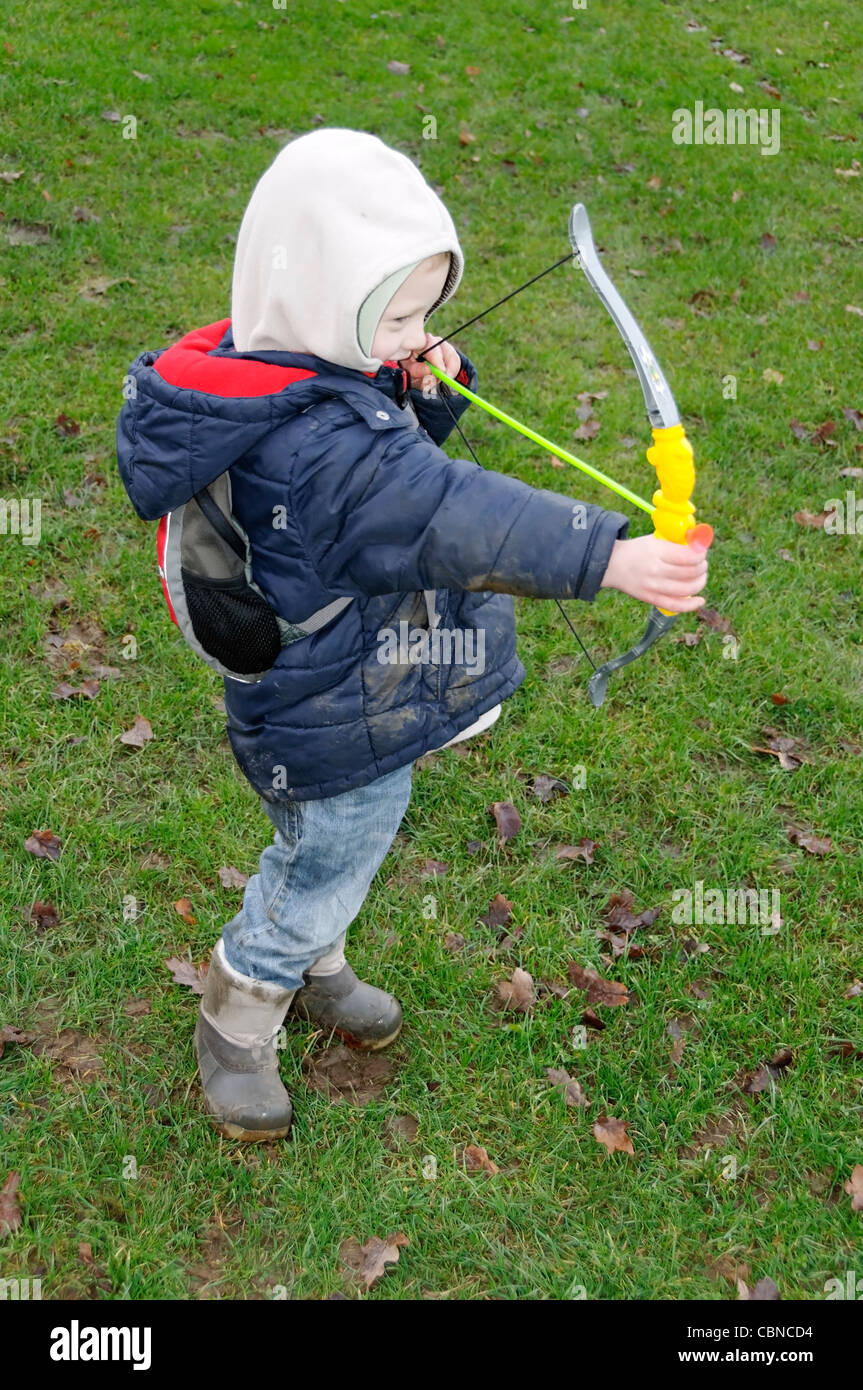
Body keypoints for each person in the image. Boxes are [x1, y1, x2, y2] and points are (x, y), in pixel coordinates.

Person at [116, 128, 708, 1141]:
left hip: (336, 688)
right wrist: (611, 554)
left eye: (425, 309)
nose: (416, 331)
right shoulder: (316, 450)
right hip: (327, 715)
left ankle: (314, 962)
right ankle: (241, 1006)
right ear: (316, 295)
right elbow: (440, 512)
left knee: (329, 854)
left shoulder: (279, 364)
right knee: (321, 859)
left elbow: (376, 481)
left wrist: (414, 382)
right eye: (396, 314)